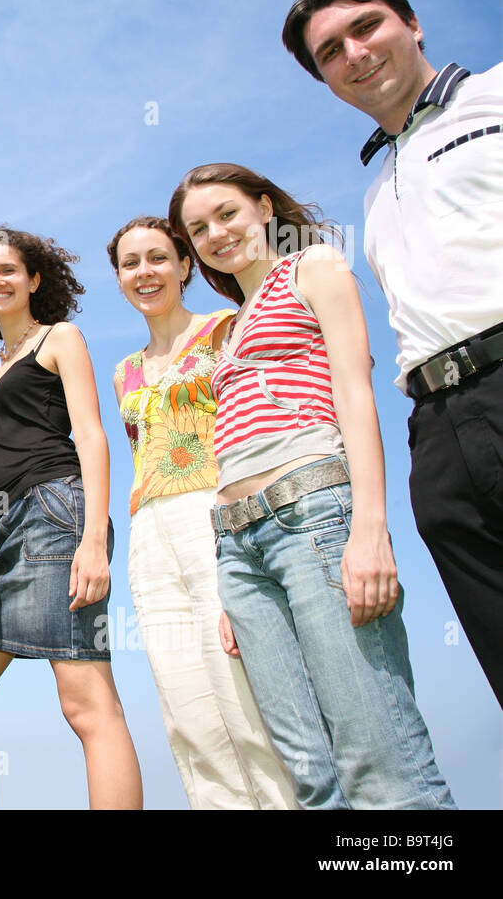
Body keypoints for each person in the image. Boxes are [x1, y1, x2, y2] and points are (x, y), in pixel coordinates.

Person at [169, 162, 455, 809]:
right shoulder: (234, 325)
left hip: (313, 515)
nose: (215, 234)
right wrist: (227, 580)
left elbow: (356, 393)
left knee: (379, 757)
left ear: (264, 208)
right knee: (309, 775)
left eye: (226, 214)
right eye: (198, 229)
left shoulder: (313, 268)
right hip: (238, 546)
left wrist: (370, 530)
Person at [283, 0, 503, 710]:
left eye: (366, 26)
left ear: (412, 23)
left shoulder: (495, 96)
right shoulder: (377, 188)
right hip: (440, 431)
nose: (354, 53)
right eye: (330, 53)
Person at [0, 227, 142, 810]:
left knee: (86, 703)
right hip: (10, 532)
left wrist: (94, 541)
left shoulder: (59, 338)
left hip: (61, 513)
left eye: (8, 270)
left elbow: (90, 435)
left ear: (34, 279)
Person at [108, 216, 296, 809]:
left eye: (158, 258)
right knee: (187, 711)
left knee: (243, 693)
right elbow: (142, 456)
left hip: (215, 515)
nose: (145, 272)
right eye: (131, 263)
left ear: (186, 265)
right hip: (148, 529)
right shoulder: (124, 371)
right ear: (119, 278)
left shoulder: (226, 329)